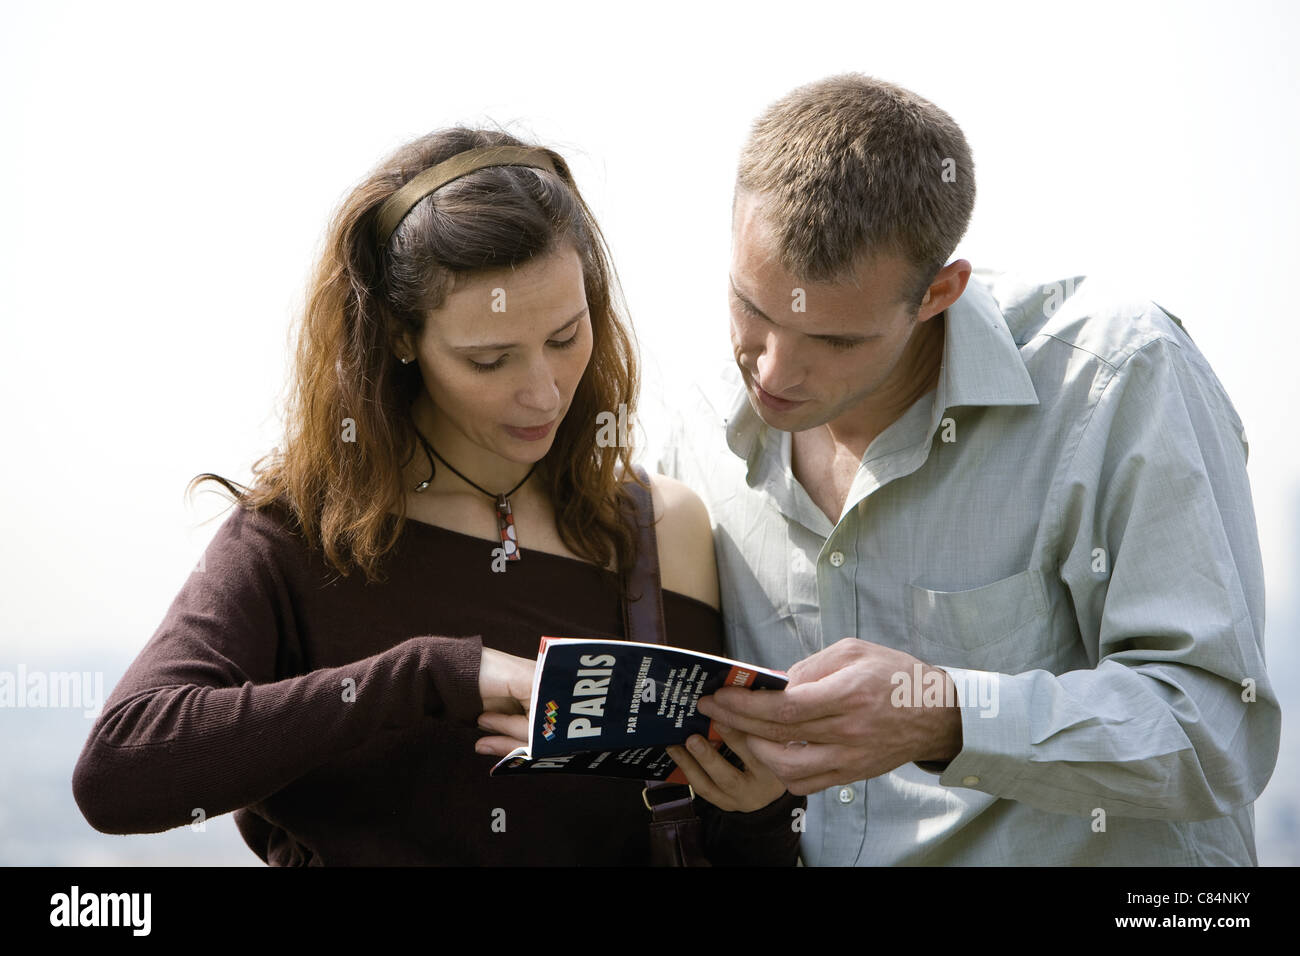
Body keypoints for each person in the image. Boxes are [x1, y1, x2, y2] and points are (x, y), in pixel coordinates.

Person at [71, 127, 802, 866]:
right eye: (489, 359)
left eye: (565, 335)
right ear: (398, 336)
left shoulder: (658, 529)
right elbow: (118, 774)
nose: (543, 391)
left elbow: (727, 844)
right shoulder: (296, 535)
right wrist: (429, 676)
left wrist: (761, 809)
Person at [648, 74, 1280, 865]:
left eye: (837, 342)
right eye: (752, 308)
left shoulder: (1122, 378)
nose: (774, 371)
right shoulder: (693, 430)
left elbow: (1219, 728)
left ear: (939, 293)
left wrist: (946, 713)